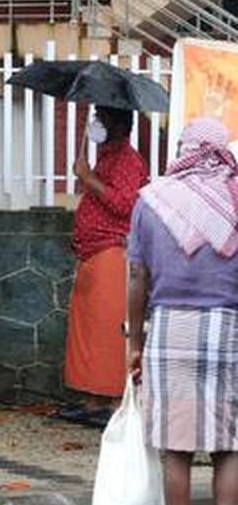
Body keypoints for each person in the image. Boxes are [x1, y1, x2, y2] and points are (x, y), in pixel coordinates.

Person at [127, 117, 238, 505]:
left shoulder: (152, 199)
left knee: (176, 450)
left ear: (184, 149)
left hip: (170, 327)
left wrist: (134, 342)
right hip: (229, 330)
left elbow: (137, 276)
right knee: (230, 447)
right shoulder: (236, 197)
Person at [64, 106, 147, 419]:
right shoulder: (107, 157)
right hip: (92, 252)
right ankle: (94, 396)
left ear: (119, 123)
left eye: (102, 116)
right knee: (89, 328)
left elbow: (126, 204)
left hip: (110, 252)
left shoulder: (128, 160)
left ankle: (113, 398)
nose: (96, 121)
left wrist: (88, 178)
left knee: (107, 329)